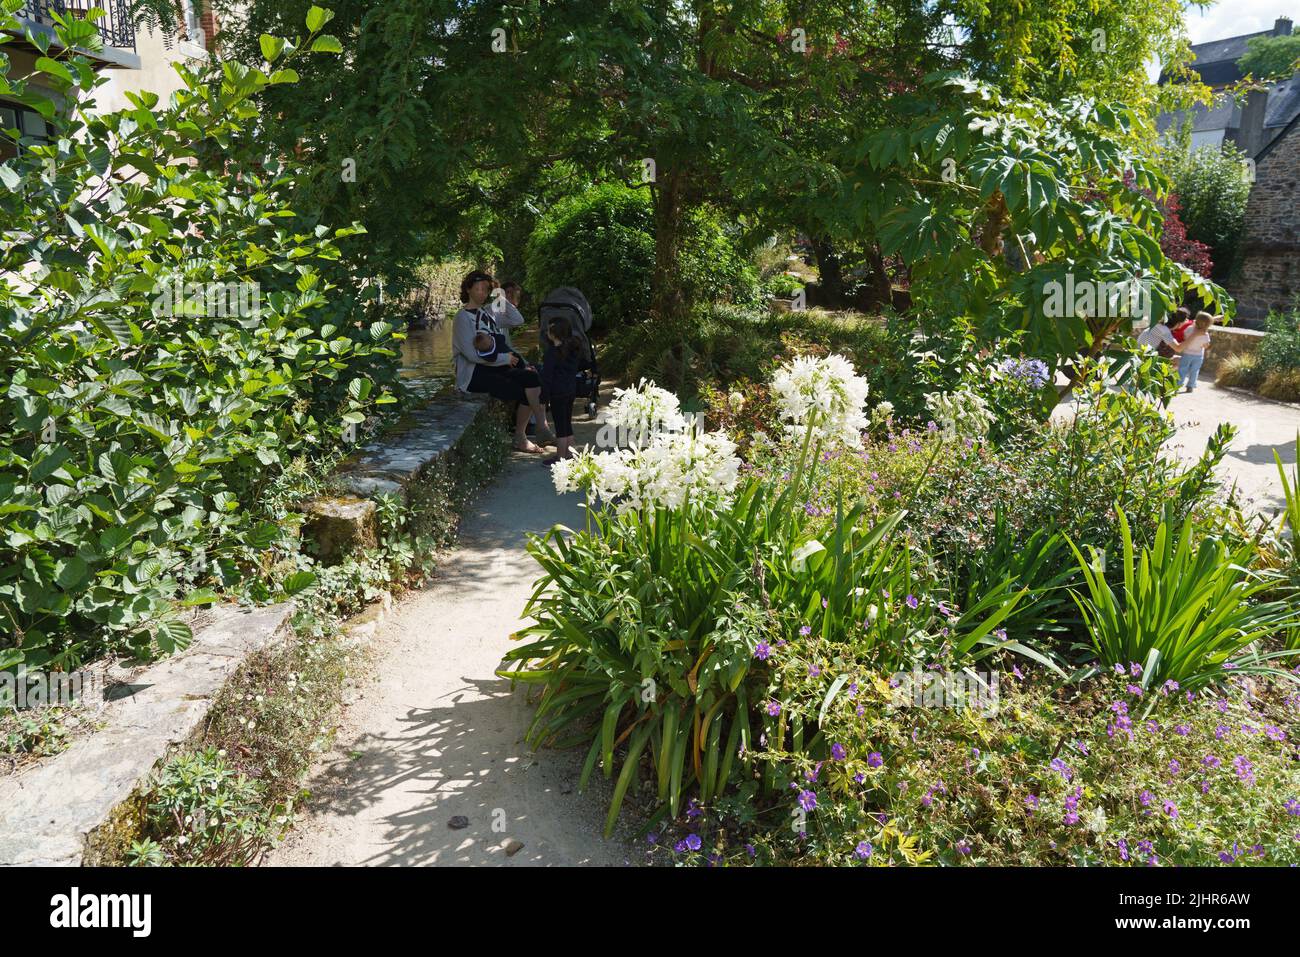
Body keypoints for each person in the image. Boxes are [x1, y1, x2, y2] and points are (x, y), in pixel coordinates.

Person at [453, 270, 554, 452]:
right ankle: (523, 437)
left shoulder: (488, 312)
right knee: (521, 390)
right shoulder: (462, 317)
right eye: (478, 289)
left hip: (495, 366)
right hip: (474, 374)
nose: (482, 293)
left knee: (532, 379)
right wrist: (504, 358)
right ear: (468, 289)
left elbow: (517, 320)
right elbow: (471, 355)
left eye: (486, 289)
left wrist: (500, 294)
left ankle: (539, 428)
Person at [539, 315, 583, 464]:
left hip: (557, 393)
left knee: (560, 426)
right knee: (566, 423)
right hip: (570, 390)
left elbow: (547, 378)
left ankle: (560, 458)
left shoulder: (551, 354)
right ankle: (570, 454)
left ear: (553, 333)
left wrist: (543, 398)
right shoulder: (572, 350)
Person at [1177, 312, 1217, 392]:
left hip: (1187, 353)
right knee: (1194, 371)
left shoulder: (1189, 329)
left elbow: (1184, 336)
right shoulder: (1205, 334)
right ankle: (1190, 386)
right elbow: (1206, 345)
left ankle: (1177, 385)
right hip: (1198, 356)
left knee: (1182, 369)